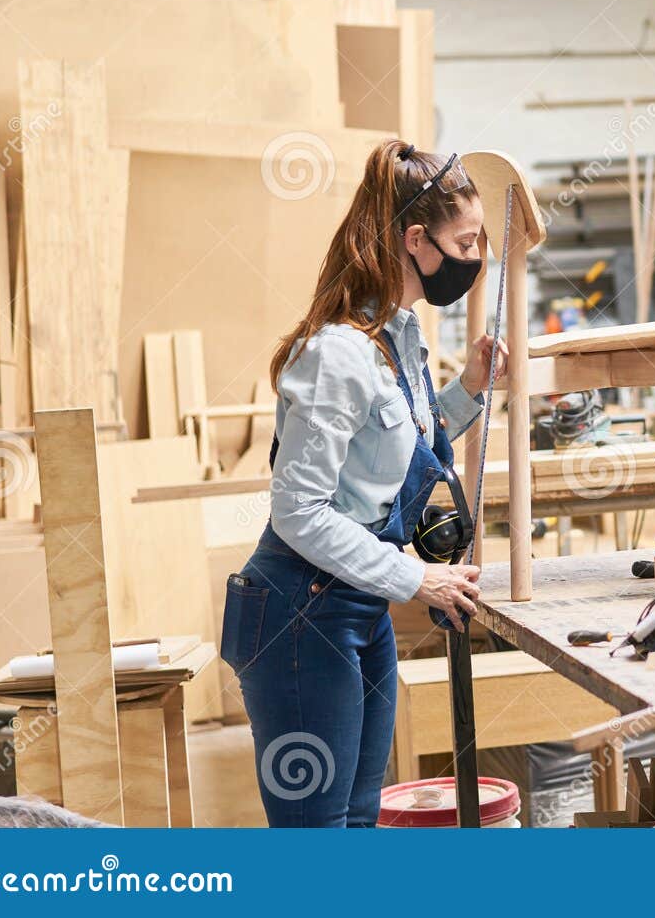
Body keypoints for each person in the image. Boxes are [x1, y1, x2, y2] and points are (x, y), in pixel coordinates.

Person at [219, 142, 505, 827]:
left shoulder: (397, 335)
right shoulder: (337, 354)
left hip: (357, 601)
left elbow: (402, 441)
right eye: (466, 243)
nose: (475, 260)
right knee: (318, 835)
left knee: (357, 819)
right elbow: (298, 511)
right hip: (300, 611)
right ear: (417, 240)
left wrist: (468, 388)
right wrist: (417, 579)